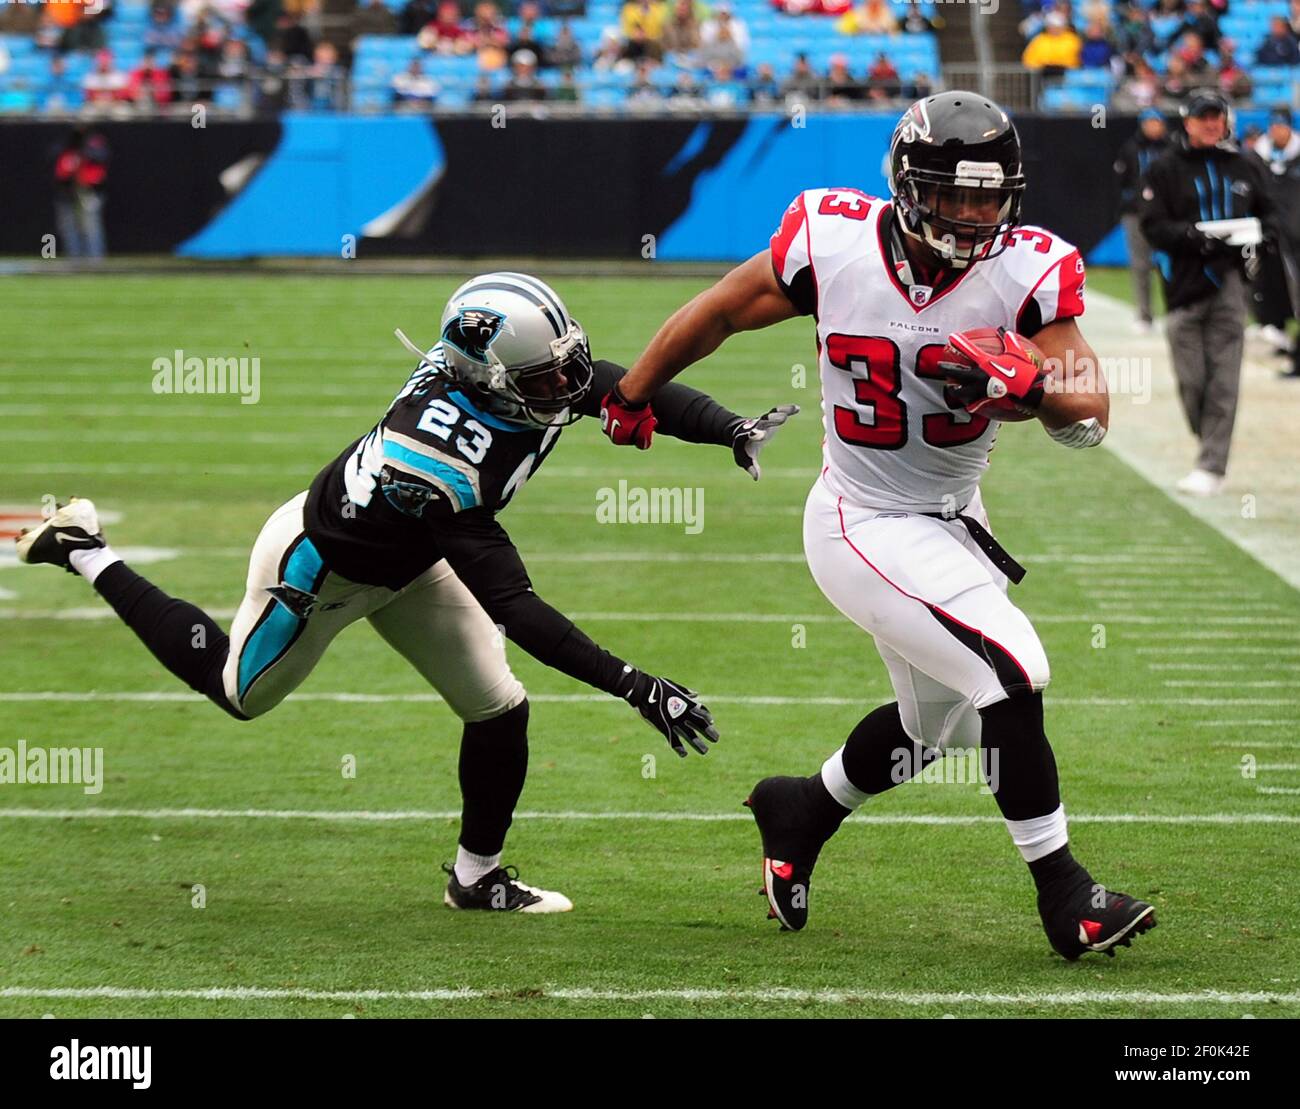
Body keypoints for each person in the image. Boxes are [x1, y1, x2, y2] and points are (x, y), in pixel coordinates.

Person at [17, 274, 797, 913]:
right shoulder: (436, 458)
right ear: (486, 379)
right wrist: (636, 685)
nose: (566, 386)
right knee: (238, 693)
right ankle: (86, 549)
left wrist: (728, 430)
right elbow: (515, 605)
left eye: (564, 365)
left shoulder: (510, 379)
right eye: (545, 376)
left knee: (498, 707)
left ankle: (476, 876)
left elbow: (629, 388)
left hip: (417, 558)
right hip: (319, 571)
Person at [599, 92, 1157, 961]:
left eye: (988, 196)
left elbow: (1089, 409)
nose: (973, 215)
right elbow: (716, 309)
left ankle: (801, 809)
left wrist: (1032, 389)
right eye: (953, 194)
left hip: (952, 520)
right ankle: (1067, 897)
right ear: (905, 183)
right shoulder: (834, 241)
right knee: (1013, 670)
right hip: (861, 520)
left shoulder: (1028, 270)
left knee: (933, 724)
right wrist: (631, 393)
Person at [1139, 89, 1279, 495]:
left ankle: (1212, 464)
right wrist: (1195, 238)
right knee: (1192, 381)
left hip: (1231, 284)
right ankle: (1208, 441)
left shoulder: (1246, 164)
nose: (1212, 123)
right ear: (1188, 122)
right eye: (1204, 117)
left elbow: (1271, 213)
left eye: (1217, 116)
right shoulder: (1165, 168)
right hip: (1183, 284)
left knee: (1225, 379)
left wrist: (1258, 236)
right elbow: (1152, 226)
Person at [1248, 107, 1300, 369]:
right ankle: (1281, 339)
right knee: (1268, 290)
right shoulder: (1258, 157)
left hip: (1297, 237)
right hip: (1269, 237)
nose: (1278, 131)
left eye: (1282, 126)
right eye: (1274, 126)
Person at [1112, 108, 1169, 332]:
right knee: (1140, 265)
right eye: (1150, 122)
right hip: (1136, 213)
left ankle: (1173, 310)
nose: (1154, 127)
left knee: (1169, 265)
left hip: (1165, 214)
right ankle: (1145, 315)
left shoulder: (1170, 149)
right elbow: (1122, 181)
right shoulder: (1130, 148)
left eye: (1157, 122)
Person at [52, 126, 109, 259]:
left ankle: (95, 259)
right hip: (69, 193)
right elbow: (61, 173)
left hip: (88, 192)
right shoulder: (66, 149)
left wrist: (83, 155)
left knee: (91, 227)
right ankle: (74, 258)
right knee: (69, 227)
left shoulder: (95, 143)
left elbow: (100, 158)